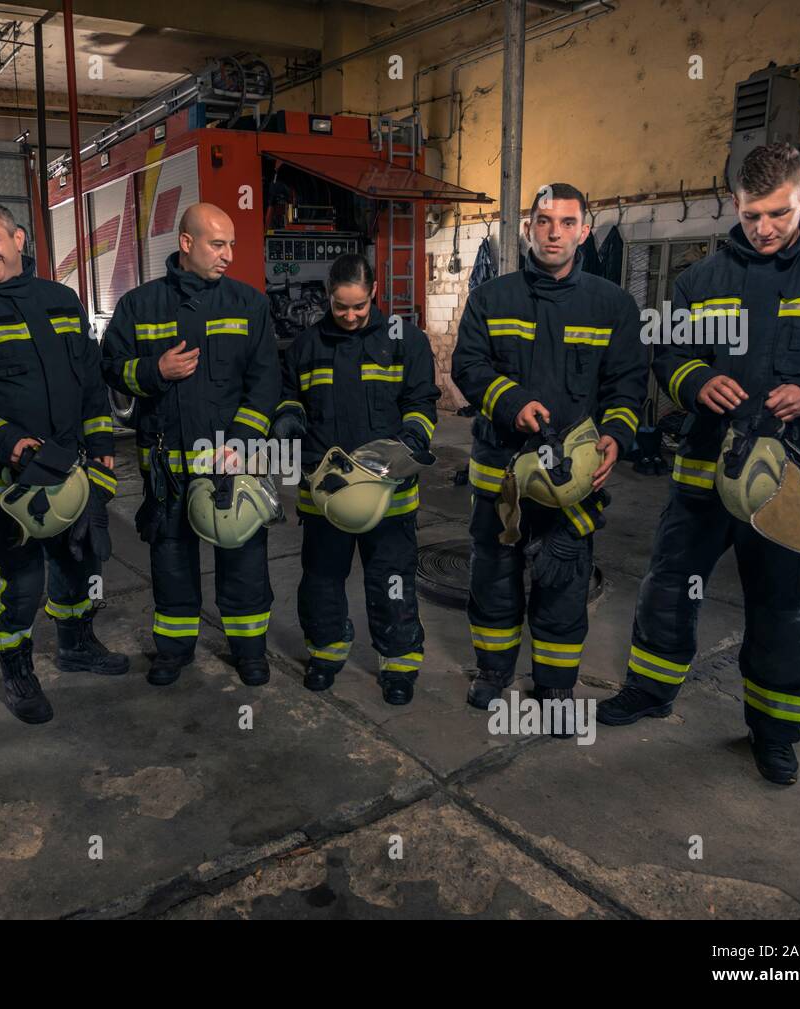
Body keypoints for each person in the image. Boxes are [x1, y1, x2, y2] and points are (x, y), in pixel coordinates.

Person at [597, 143, 800, 784]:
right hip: (705, 472)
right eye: (752, 213)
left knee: (784, 609)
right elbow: (667, 356)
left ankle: (774, 732)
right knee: (669, 588)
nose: (764, 228)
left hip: (795, 476)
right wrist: (695, 381)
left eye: (779, 214)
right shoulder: (698, 282)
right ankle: (649, 693)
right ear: (734, 203)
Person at [452, 182, 648, 732]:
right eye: (543, 221)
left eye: (566, 222)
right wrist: (510, 403)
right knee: (494, 576)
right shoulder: (493, 297)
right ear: (527, 228)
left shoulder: (613, 305)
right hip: (500, 480)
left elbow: (627, 386)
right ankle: (492, 673)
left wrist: (616, 436)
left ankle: (555, 689)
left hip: (573, 483)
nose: (554, 232)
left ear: (585, 230)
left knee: (564, 583)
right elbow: (468, 367)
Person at [0, 202, 127, 727]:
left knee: (79, 564)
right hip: (7, 481)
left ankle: (77, 645)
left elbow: (89, 380)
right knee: (16, 584)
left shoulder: (62, 300)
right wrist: (14, 445)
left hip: (72, 470)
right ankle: (16, 670)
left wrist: (102, 438)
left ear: (19, 239)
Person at [102, 203, 281, 687]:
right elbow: (110, 367)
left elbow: (266, 383)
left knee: (243, 558)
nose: (228, 255)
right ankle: (174, 650)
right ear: (186, 243)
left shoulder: (249, 304)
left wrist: (242, 442)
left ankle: (249, 651)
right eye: (217, 244)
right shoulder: (139, 306)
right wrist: (152, 372)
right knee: (171, 560)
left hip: (233, 463)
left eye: (231, 245)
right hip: (168, 468)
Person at [274, 254, 440, 704]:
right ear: (328, 297)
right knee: (322, 579)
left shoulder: (404, 340)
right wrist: (287, 419)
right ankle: (325, 654)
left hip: (389, 495)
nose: (349, 316)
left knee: (392, 580)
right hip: (325, 494)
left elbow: (423, 402)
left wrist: (409, 441)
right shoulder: (307, 345)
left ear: (374, 296)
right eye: (340, 306)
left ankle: (399, 664)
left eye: (359, 307)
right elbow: (289, 398)